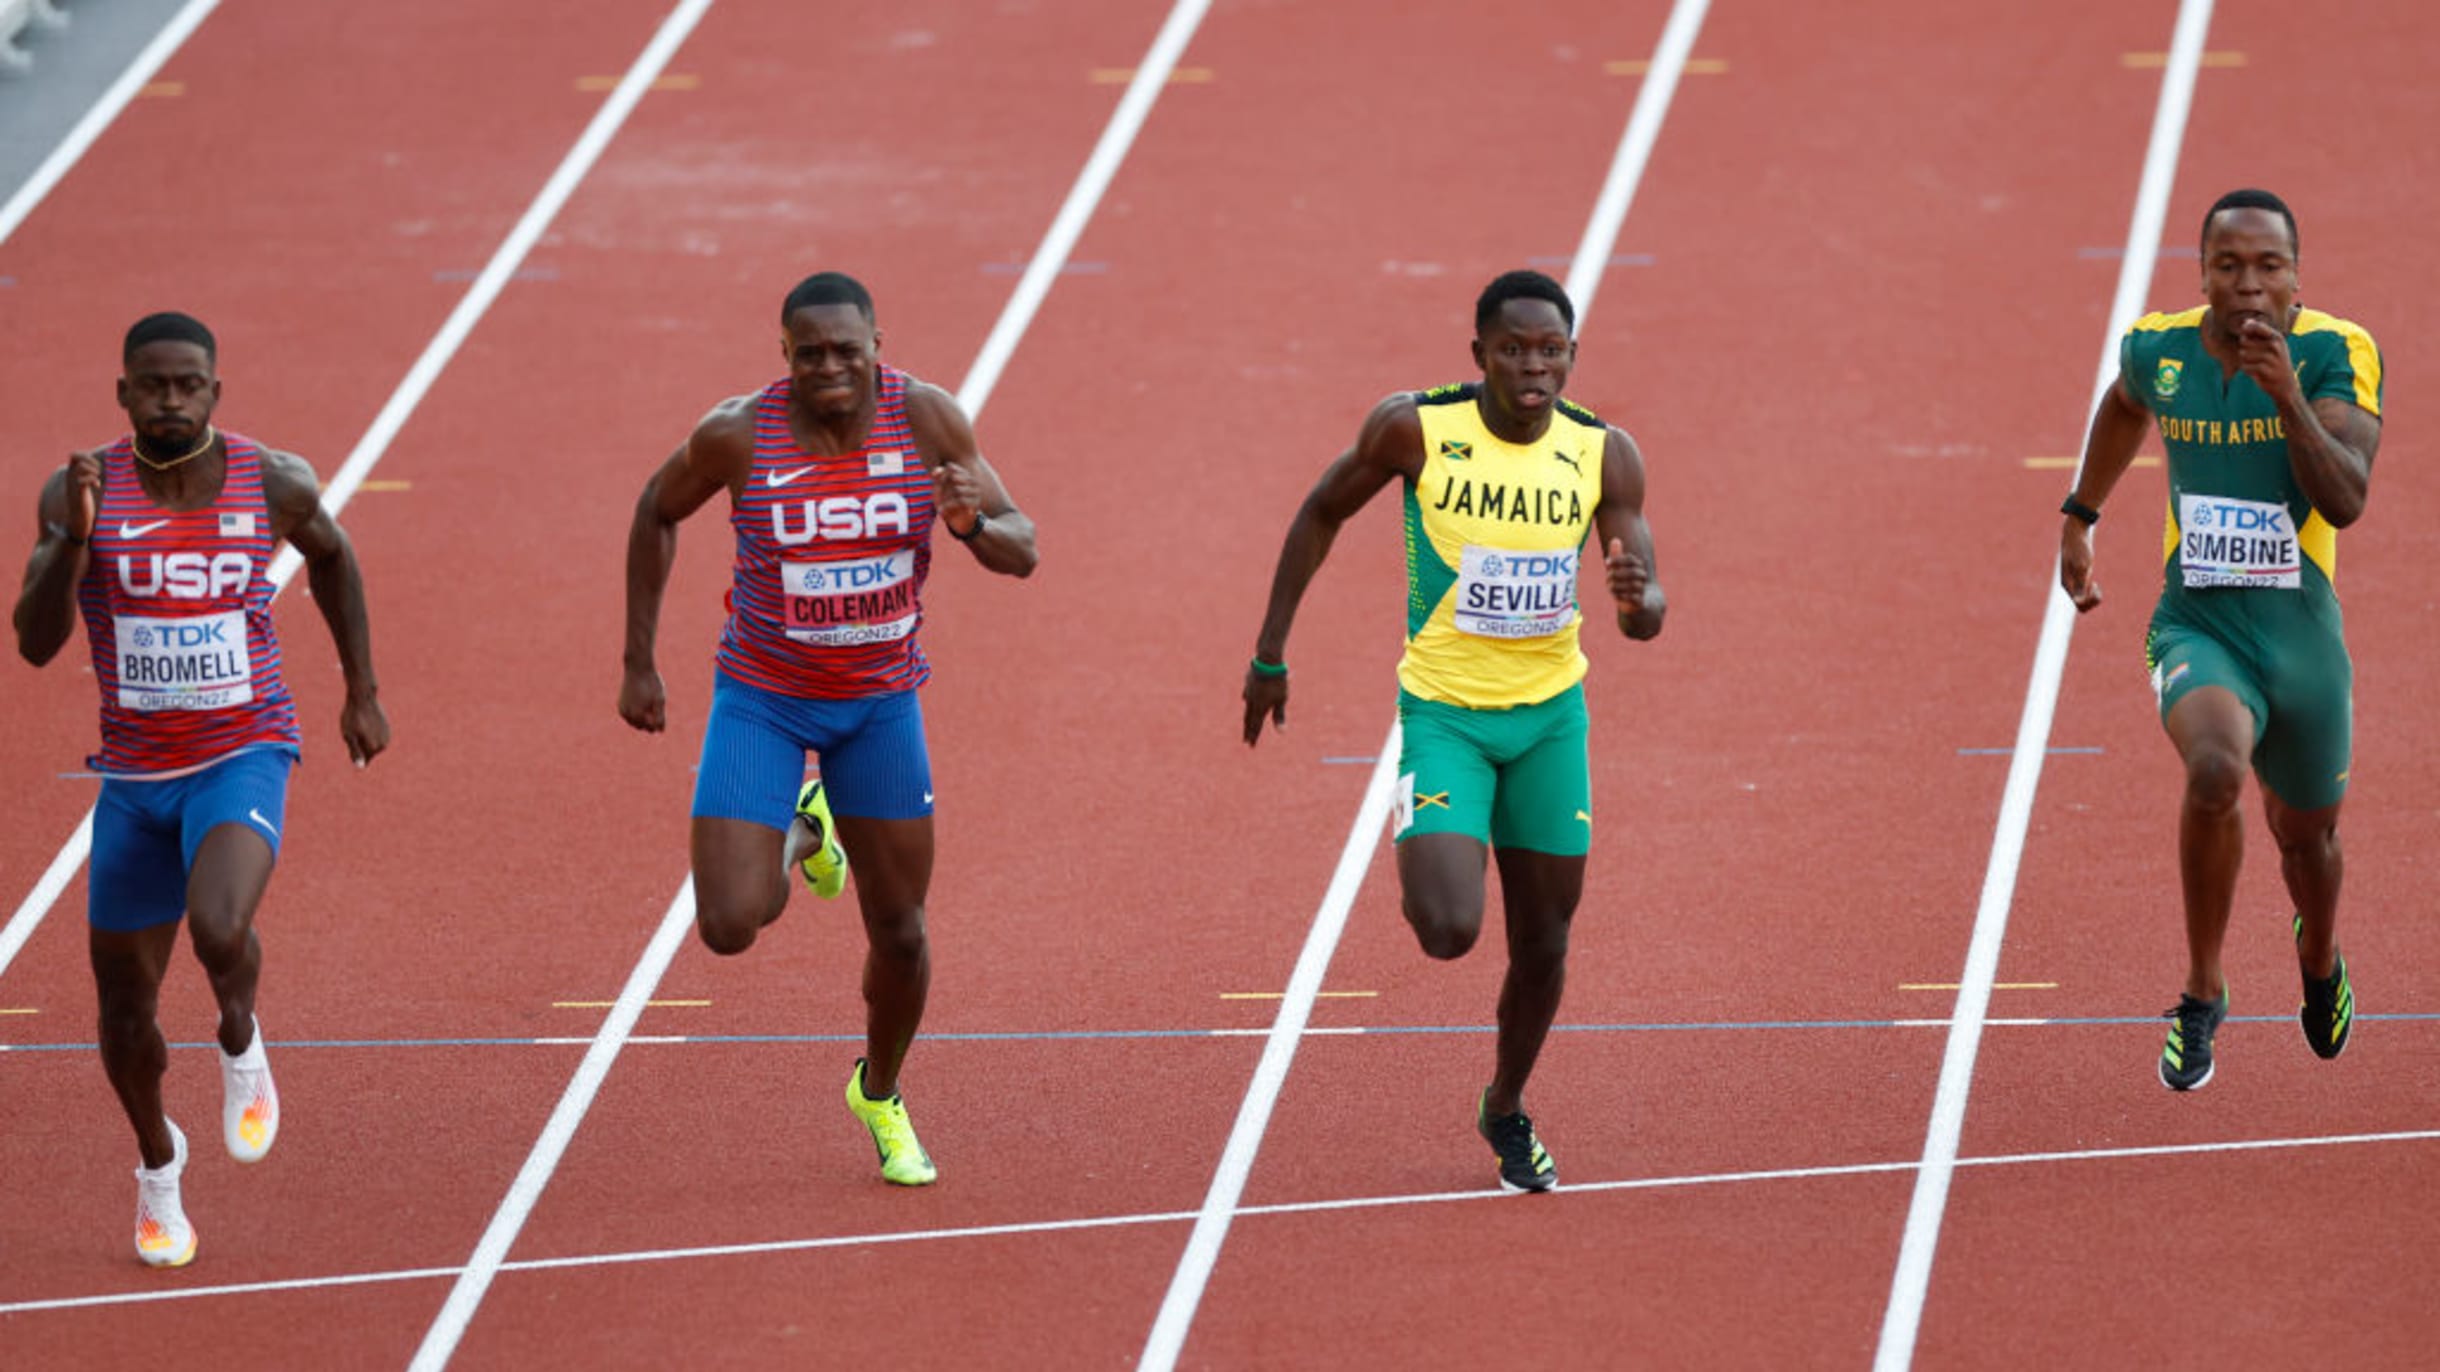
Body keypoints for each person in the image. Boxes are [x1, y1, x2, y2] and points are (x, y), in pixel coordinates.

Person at [1241, 269, 1664, 1192]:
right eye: (1513, 350)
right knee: (1446, 928)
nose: (1533, 367)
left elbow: (1646, 613)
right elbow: (1321, 512)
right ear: (1479, 355)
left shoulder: (1604, 454)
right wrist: (1270, 652)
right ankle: (1429, 824)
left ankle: (1504, 1106)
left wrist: (1640, 601)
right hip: (1445, 717)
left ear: (1572, 356)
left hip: (1551, 723)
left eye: (1550, 350)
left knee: (1545, 941)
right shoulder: (1416, 429)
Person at [620, 271, 1036, 1186]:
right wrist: (639, 661)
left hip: (880, 705)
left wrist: (971, 526)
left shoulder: (926, 420)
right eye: (809, 353)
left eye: (847, 350)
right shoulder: (738, 434)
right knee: (728, 925)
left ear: (878, 346)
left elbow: (1023, 547)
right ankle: (808, 829)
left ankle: (879, 1093)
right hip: (764, 698)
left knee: (901, 932)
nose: (829, 367)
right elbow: (656, 508)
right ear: (784, 354)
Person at [11, 312, 390, 1266]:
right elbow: (36, 642)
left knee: (220, 926)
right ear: (123, 394)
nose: (171, 400)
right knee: (124, 1010)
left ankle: (239, 1036)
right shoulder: (79, 490)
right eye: (153, 385)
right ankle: (158, 1167)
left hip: (242, 750)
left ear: (215, 391)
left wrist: (361, 691)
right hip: (135, 779)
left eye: (188, 384)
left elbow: (334, 555)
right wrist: (71, 543)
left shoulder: (274, 481)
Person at [2060, 188, 2383, 1091]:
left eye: (2268, 267)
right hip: (2197, 620)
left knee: (2306, 839)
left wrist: (2289, 398)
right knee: (2213, 770)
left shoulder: (2337, 352)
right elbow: (2125, 404)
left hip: (2300, 635)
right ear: (2201, 273)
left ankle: (2319, 958)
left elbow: (2345, 501)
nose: (2247, 285)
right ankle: (2203, 991)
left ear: (2296, 277)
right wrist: (2081, 513)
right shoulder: (2158, 349)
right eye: (2228, 266)